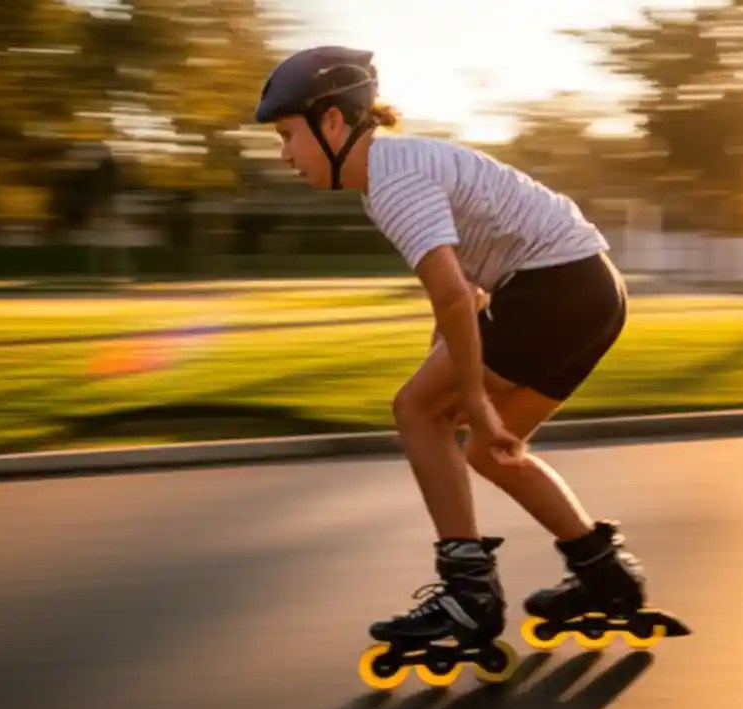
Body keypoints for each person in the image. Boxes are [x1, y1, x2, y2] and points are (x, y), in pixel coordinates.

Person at [253, 46, 660, 655]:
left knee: (416, 411)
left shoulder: (392, 180)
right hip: (594, 291)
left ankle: (468, 595)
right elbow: (463, 294)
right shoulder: (397, 167)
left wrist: (469, 395)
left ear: (332, 121)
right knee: (492, 450)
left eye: (288, 135)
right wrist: (454, 376)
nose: (285, 154)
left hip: (555, 287)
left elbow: (450, 295)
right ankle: (606, 576)